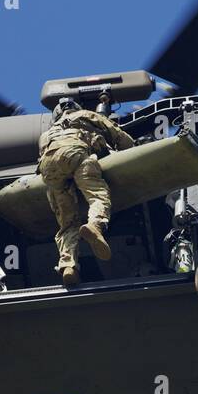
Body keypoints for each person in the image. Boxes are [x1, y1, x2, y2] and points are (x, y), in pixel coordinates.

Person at [37, 95, 137, 287]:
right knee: (98, 195)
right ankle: (96, 225)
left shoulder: (46, 134)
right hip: (75, 153)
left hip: (48, 168)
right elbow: (118, 135)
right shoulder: (86, 114)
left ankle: (68, 266)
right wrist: (133, 149)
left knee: (67, 222)